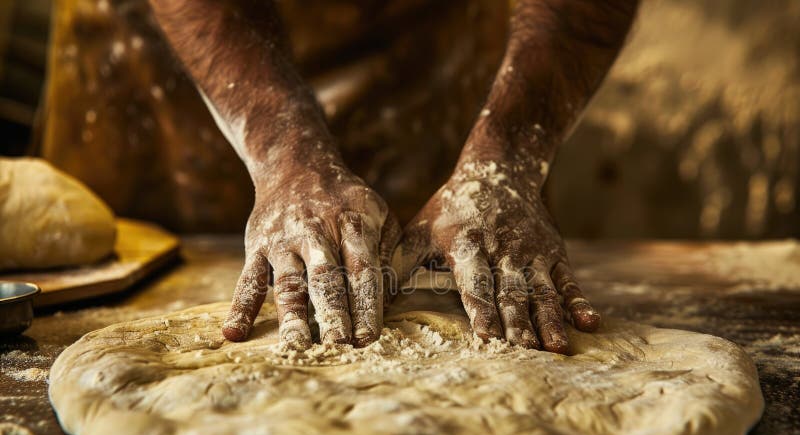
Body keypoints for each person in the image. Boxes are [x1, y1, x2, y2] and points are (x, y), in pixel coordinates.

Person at [41, 0, 639, 352]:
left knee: (435, 281)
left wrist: (501, 160)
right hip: (176, 51)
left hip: (422, 41)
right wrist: (280, 149)